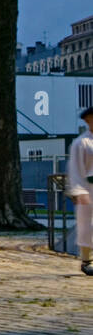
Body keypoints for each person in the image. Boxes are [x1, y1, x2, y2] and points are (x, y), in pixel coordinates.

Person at [67, 106, 93, 276]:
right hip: (89, 187)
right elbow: (75, 169)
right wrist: (78, 190)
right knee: (88, 225)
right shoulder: (82, 142)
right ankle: (87, 259)